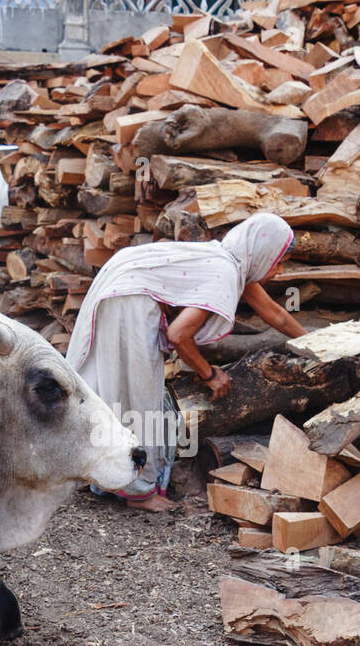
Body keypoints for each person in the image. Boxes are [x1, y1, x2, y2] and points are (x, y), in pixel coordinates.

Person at [66, 213, 309, 512]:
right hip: (128, 300)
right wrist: (210, 374)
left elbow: (277, 315)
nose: (280, 270)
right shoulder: (224, 273)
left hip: (120, 284)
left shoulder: (231, 262)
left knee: (115, 387)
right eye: (278, 261)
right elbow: (179, 334)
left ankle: (107, 475)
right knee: (140, 397)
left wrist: (320, 343)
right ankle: (139, 491)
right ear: (262, 252)